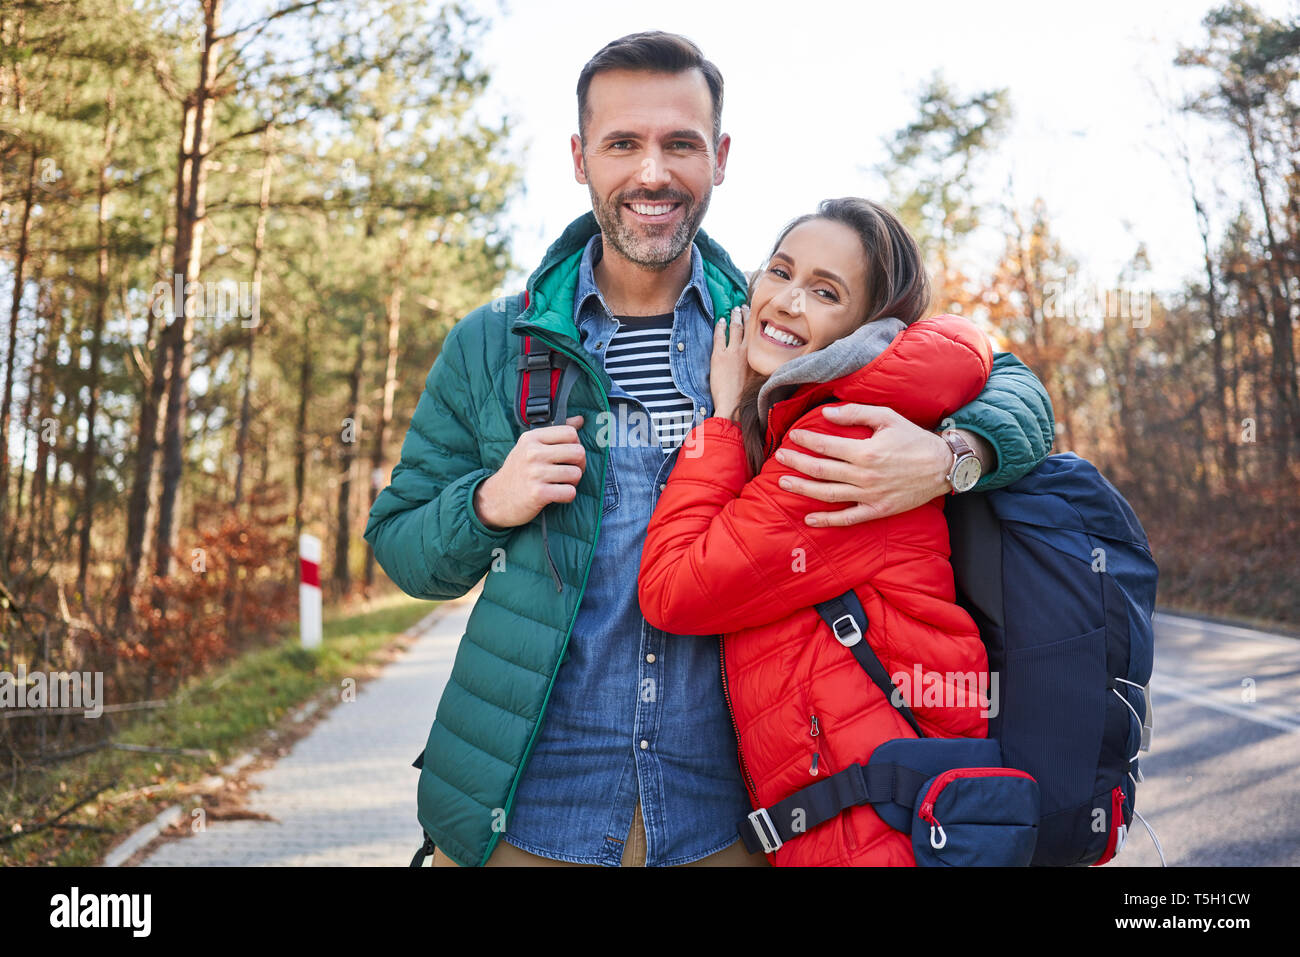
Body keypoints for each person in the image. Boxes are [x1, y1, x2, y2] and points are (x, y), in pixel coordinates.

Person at [363, 31, 1055, 868]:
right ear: (580, 157)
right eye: (624, 143)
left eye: (679, 144)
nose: (652, 173)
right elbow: (401, 544)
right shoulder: (493, 344)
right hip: (524, 817)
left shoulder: (779, 333)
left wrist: (954, 455)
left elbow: (1004, 378)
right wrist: (486, 505)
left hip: (730, 823)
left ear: (719, 157)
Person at [638, 198, 992, 865]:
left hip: (878, 833)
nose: (788, 301)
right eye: (780, 271)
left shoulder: (843, 440)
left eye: (826, 292)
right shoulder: (827, 416)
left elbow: (672, 590)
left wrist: (720, 418)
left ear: (866, 324)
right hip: (873, 815)